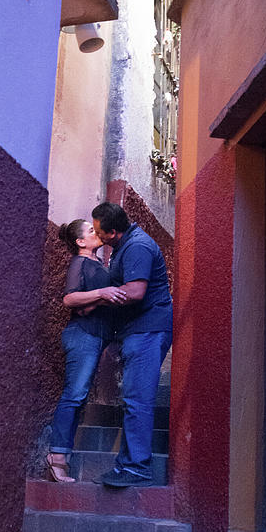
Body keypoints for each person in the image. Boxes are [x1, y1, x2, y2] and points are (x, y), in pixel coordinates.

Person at [91, 202, 173, 487]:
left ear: (113, 232)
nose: (97, 236)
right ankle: (129, 463)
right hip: (138, 331)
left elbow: (136, 291)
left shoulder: (137, 246)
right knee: (133, 399)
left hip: (148, 331)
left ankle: (137, 467)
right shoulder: (124, 245)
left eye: (100, 232)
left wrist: (99, 297)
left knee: (138, 399)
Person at [45, 219, 127, 482]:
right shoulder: (80, 263)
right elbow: (70, 299)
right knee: (74, 395)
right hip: (82, 336)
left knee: (78, 397)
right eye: (91, 231)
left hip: (93, 337)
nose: (97, 232)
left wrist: (98, 300)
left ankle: (61, 455)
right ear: (81, 242)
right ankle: (57, 457)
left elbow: (90, 302)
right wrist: (103, 293)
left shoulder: (97, 265)